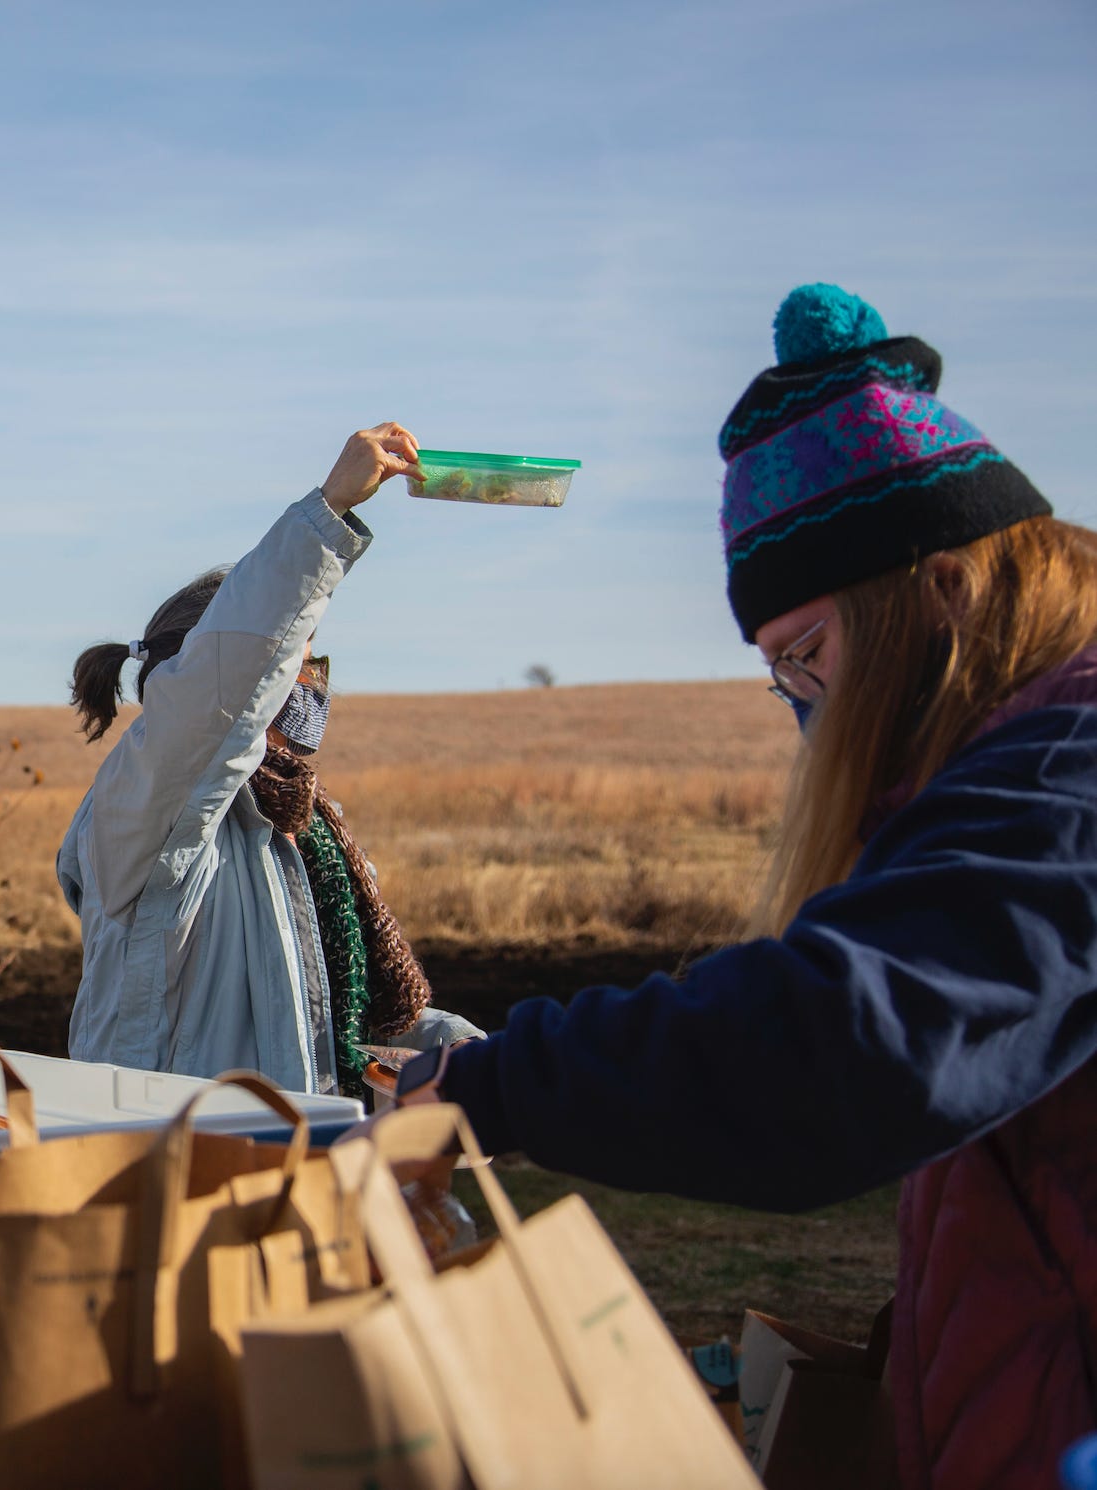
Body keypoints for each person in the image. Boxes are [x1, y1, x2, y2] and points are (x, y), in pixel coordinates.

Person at [398, 285, 1097, 1489]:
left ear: (941, 590)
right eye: (781, 675)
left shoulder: (1067, 778)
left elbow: (843, 1039)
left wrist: (496, 1084)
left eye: (808, 655)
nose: (807, 713)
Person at [57, 423, 479, 1097]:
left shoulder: (306, 832)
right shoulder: (148, 813)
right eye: (292, 661)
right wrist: (329, 511)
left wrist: (462, 1049)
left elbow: (340, 1015)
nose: (309, 683)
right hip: (170, 1147)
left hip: (295, 1148)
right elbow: (222, 689)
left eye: (312, 661)